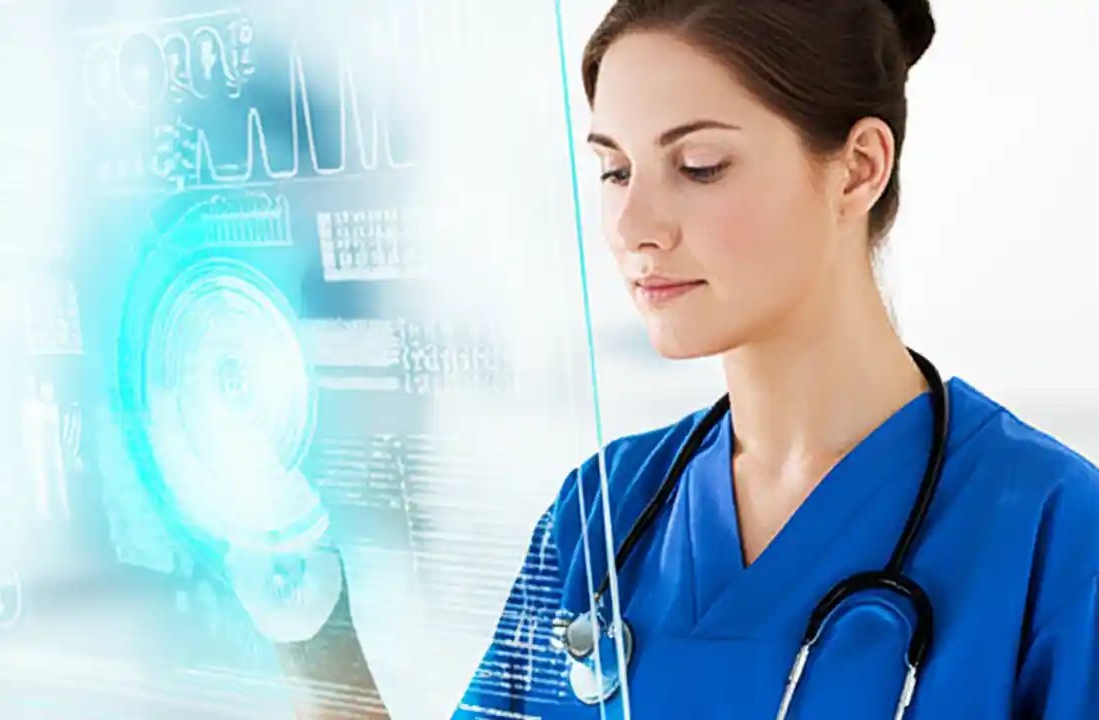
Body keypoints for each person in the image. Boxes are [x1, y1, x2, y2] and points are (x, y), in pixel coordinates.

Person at [451, 0, 1099, 717]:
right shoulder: (597, 516)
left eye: (698, 167)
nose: (633, 227)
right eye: (614, 170)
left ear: (858, 169)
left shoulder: (1056, 537)